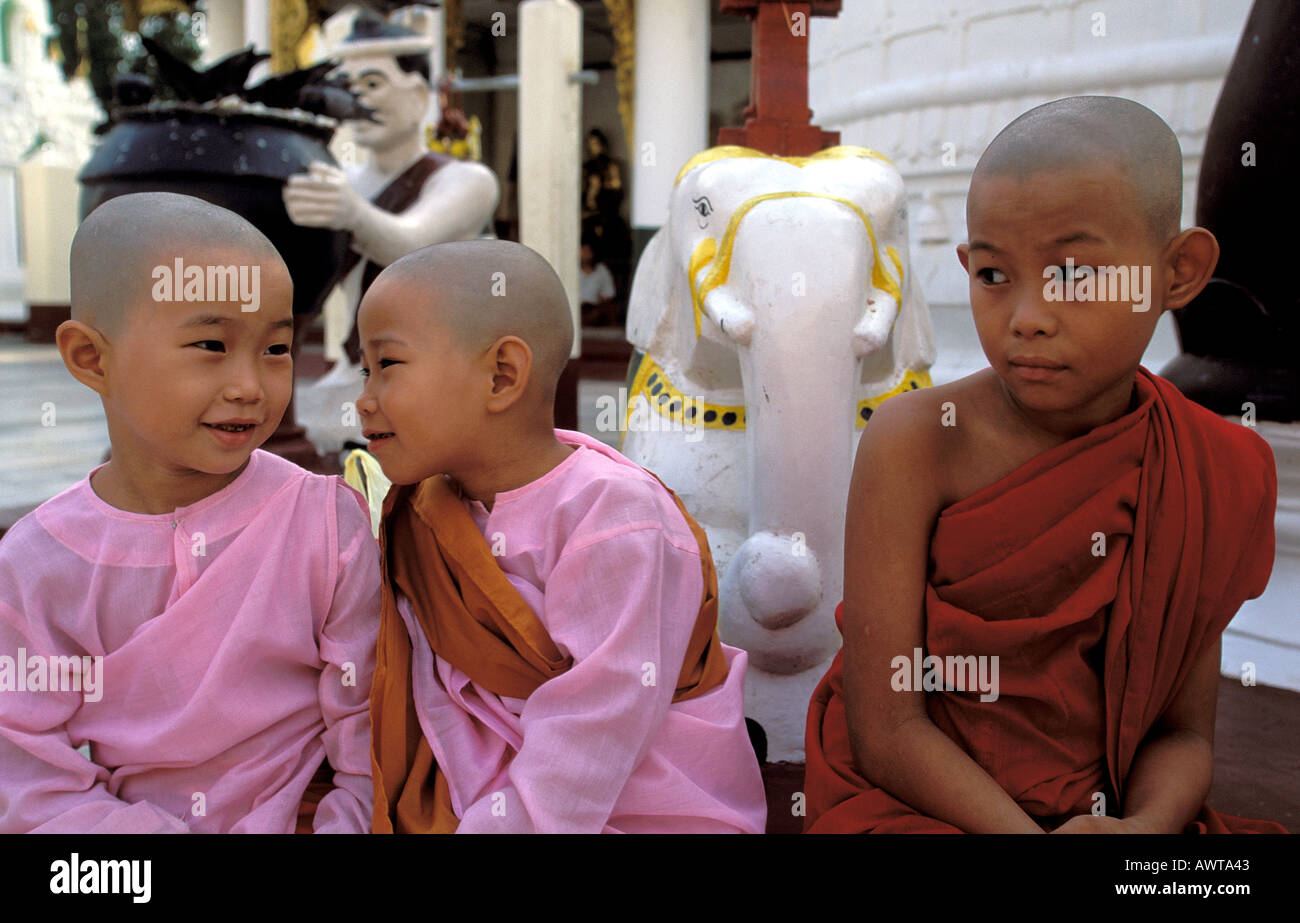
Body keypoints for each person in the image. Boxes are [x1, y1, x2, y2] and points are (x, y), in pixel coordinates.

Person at [803, 96, 1286, 834]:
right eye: (995, 275)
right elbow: (887, 728)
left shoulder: (1206, 468)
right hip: (926, 806)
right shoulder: (919, 441)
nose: (1027, 313)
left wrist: (1142, 833)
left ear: (1177, 272)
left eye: (1075, 273)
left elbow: (1182, 733)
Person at [0, 192, 380, 833]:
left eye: (276, 349)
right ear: (91, 358)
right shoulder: (38, 561)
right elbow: (28, 778)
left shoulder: (324, 522)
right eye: (211, 344)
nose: (250, 386)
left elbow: (372, 729)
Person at [359, 239, 767, 833]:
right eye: (363, 369)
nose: (363, 399)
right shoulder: (425, 511)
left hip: (638, 810)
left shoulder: (613, 515)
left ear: (502, 375)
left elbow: (595, 726)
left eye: (387, 365)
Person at [283, 13, 498, 380]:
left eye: (373, 83)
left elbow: (412, 245)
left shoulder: (465, 180)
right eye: (349, 87)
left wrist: (354, 214)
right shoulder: (341, 178)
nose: (358, 99)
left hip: (436, 368)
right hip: (356, 367)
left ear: (417, 96)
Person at [579, 240, 617, 327]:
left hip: (593, 311)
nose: (583, 254)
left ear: (592, 253)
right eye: (582, 250)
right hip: (573, 310)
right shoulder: (570, 268)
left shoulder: (602, 271)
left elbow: (608, 296)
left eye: (586, 251)